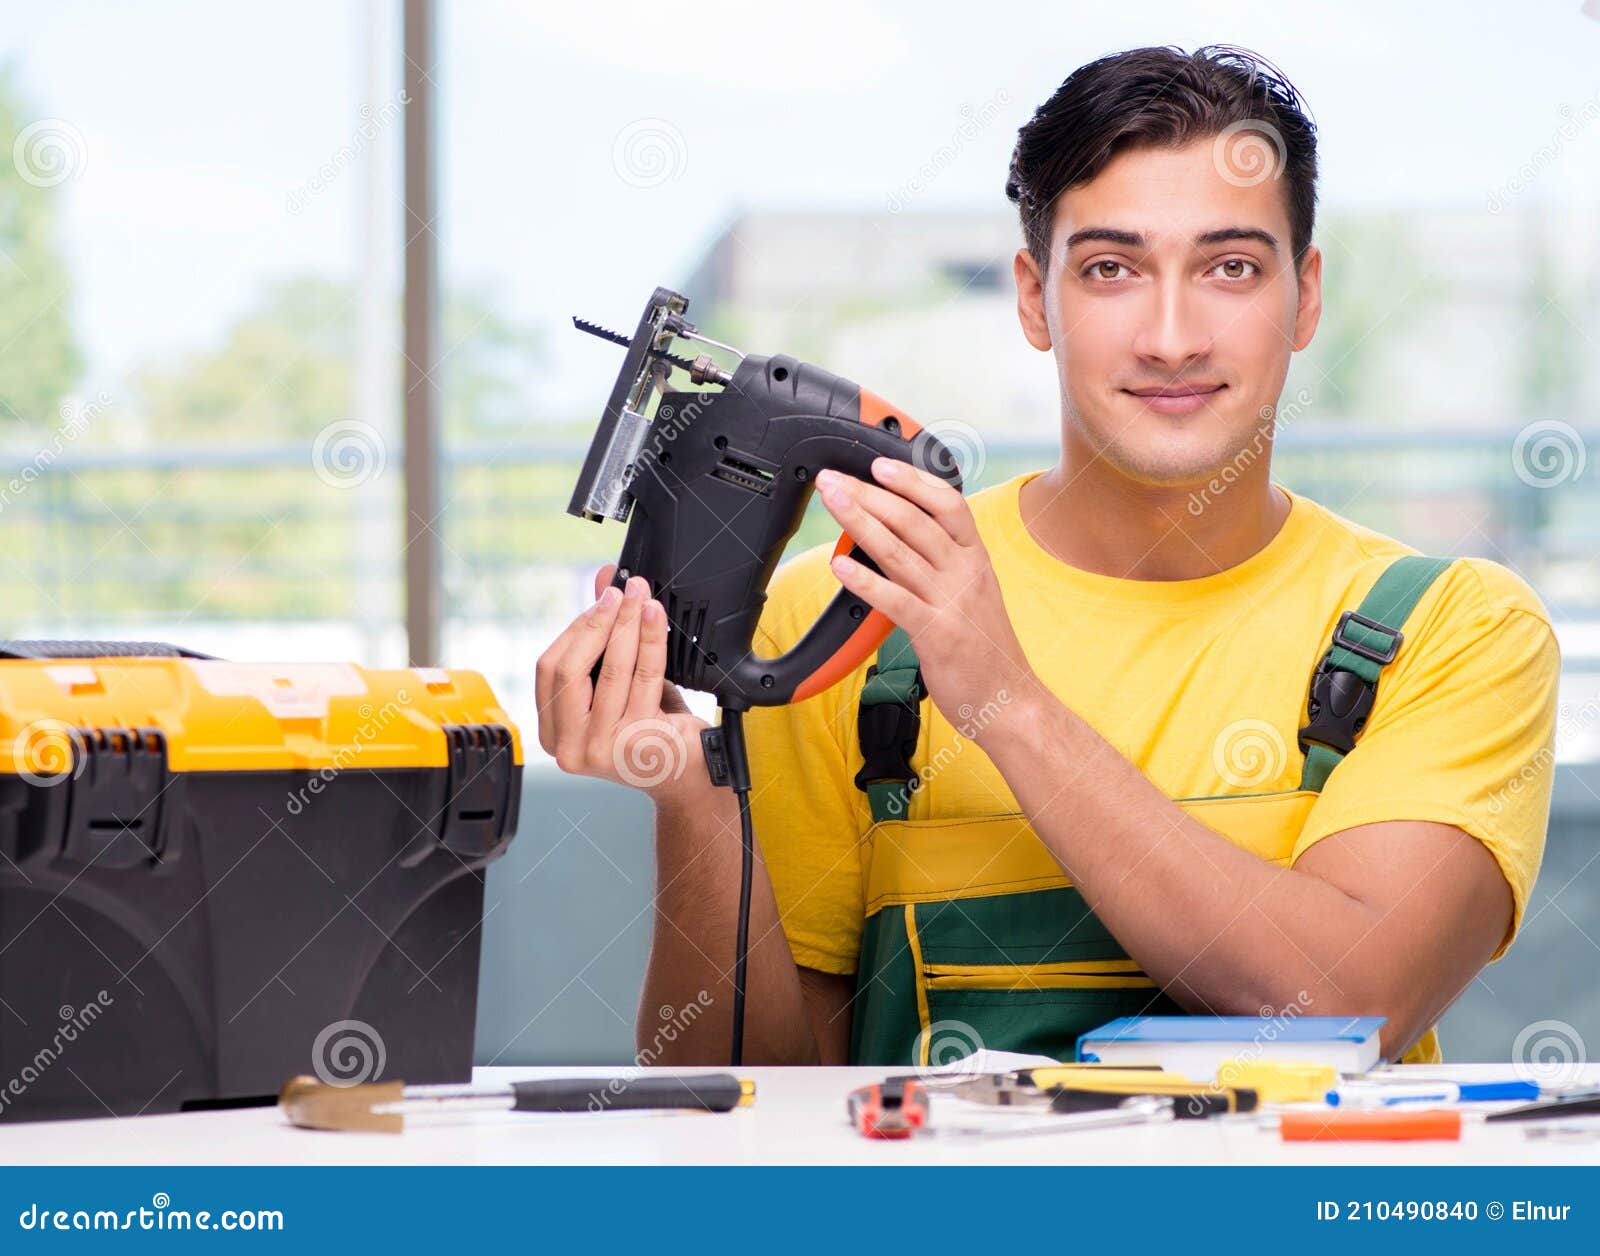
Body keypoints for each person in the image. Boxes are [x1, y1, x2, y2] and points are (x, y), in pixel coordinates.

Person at [534, 44, 1559, 1066]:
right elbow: (747, 1085)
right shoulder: (838, 619)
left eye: (1230, 267)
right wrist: (693, 793)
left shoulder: (1455, 629)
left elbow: (1352, 997)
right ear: (1034, 297)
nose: (1170, 336)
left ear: (1304, 296)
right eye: (1110, 269)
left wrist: (1004, 699)